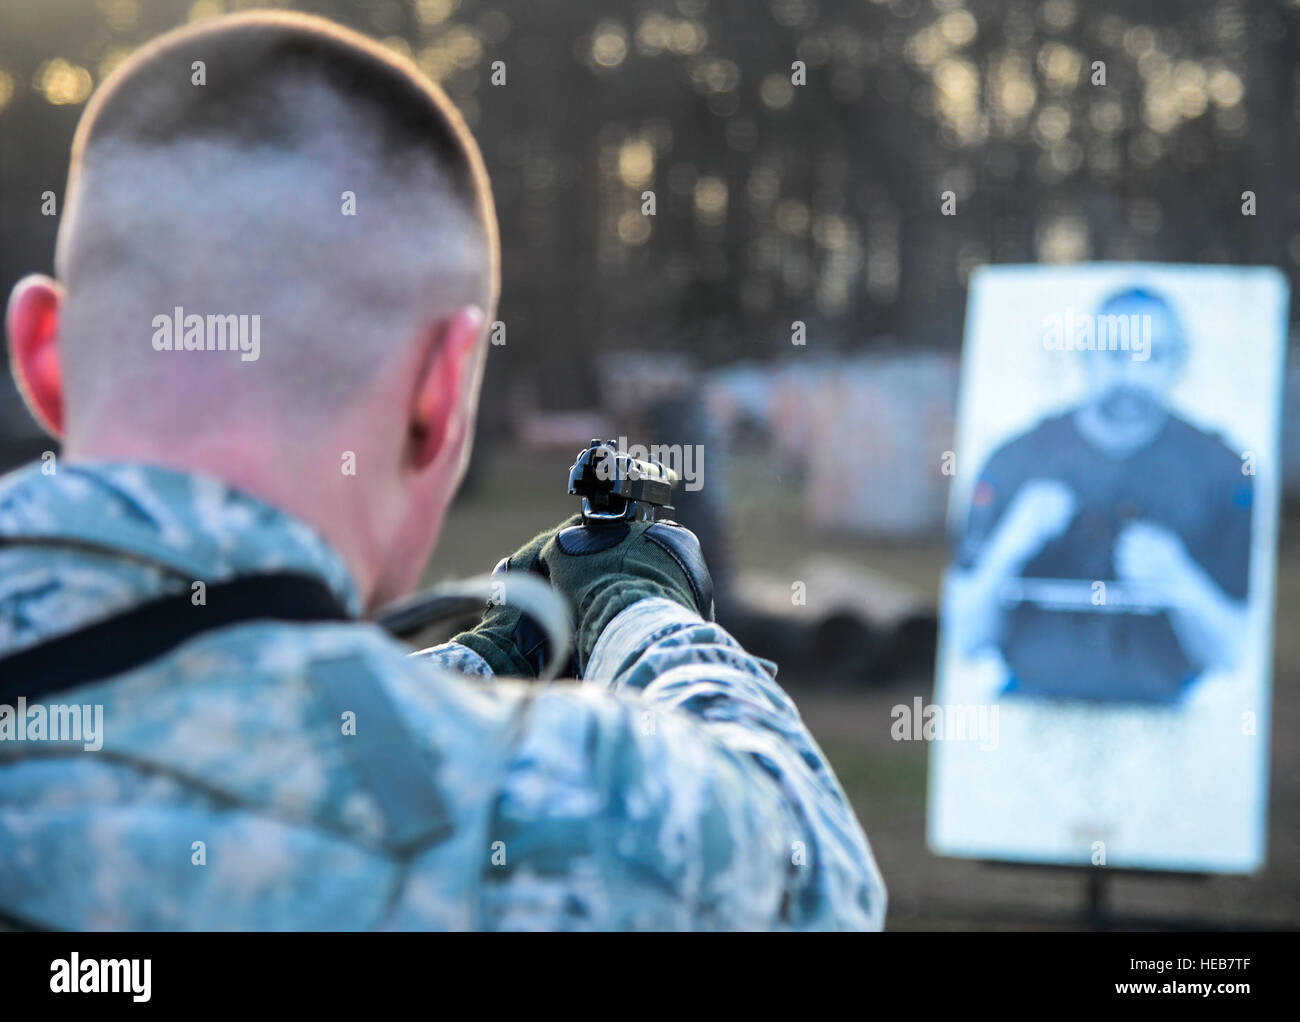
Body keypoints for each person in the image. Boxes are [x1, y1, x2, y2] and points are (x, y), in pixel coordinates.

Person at [0, 12, 885, 930]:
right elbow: (807, 865)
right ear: (441, 388)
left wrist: (487, 657)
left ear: (43, 353)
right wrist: (637, 608)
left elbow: (227, 711)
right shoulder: (546, 828)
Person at [945, 287, 1252, 704]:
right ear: (1085, 355)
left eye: (1152, 356)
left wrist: (1179, 578)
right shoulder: (1013, 460)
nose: (1131, 376)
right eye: (1115, 353)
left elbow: (1232, 653)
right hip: (1028, 718)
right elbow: (965, 639)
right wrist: (1009, 547)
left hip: (1167, 728)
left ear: (1178, 362)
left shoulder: (1223, 470)